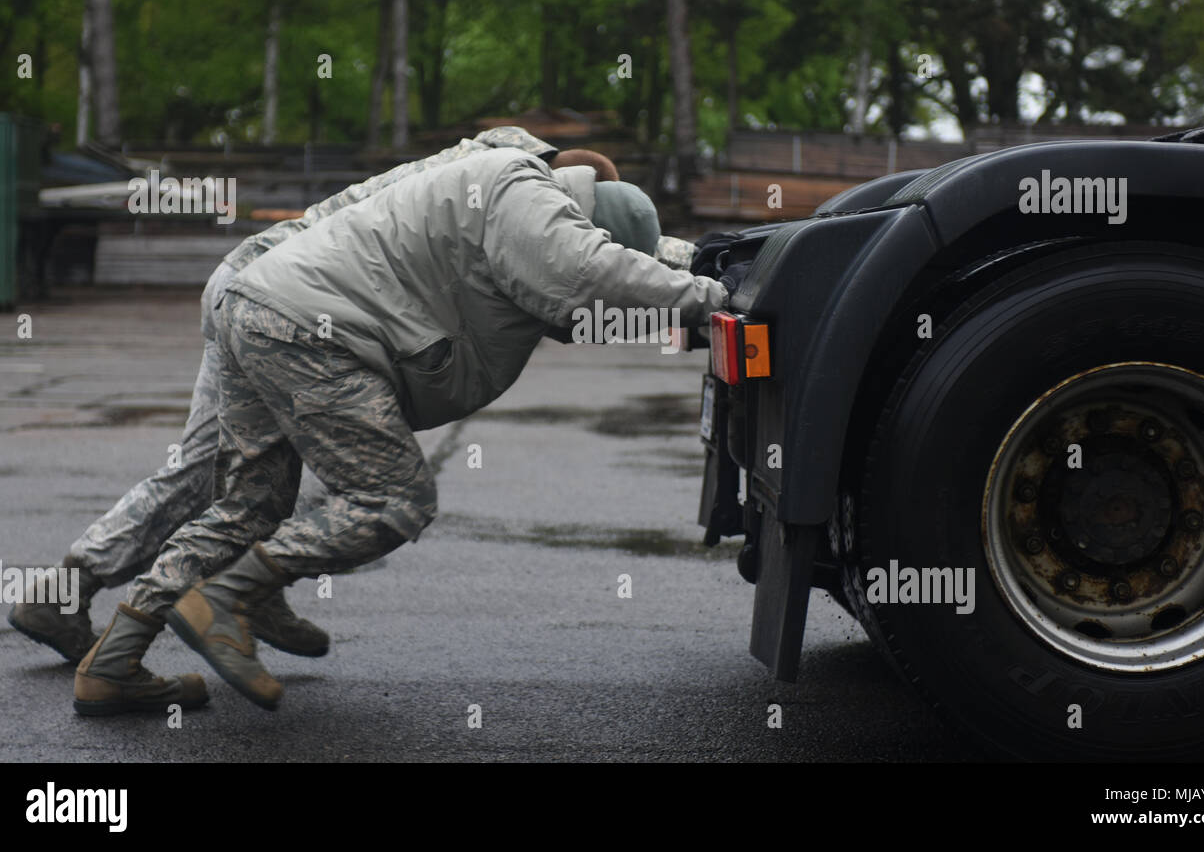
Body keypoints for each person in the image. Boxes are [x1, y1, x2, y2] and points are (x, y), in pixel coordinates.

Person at [72, 146, 733, 714]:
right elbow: (598, 270)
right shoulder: (529, 204)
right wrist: (712, 300)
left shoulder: (526, 191)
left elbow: (632, 258)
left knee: (252, 503)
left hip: (262, 304)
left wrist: (716, 266)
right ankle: (232, 595)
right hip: (309, 330)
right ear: (585, 223)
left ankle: (113, 662)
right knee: (394, 496)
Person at [12, 126, 576, 668]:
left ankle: (238, 597)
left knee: (246, 474)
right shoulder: (503, 186)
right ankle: (77, 594)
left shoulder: (474, 165)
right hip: (273, 296)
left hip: (261, 284)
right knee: (214, 473)